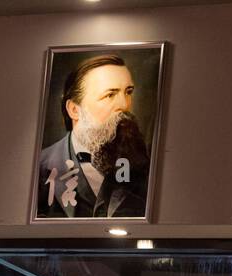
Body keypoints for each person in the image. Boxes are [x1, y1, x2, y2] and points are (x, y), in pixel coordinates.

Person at [37, 54, 152, 219]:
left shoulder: (144, 166)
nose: (125, 105)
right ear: (74, 110)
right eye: (110, 95)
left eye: (128, 92)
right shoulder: (40, 168)